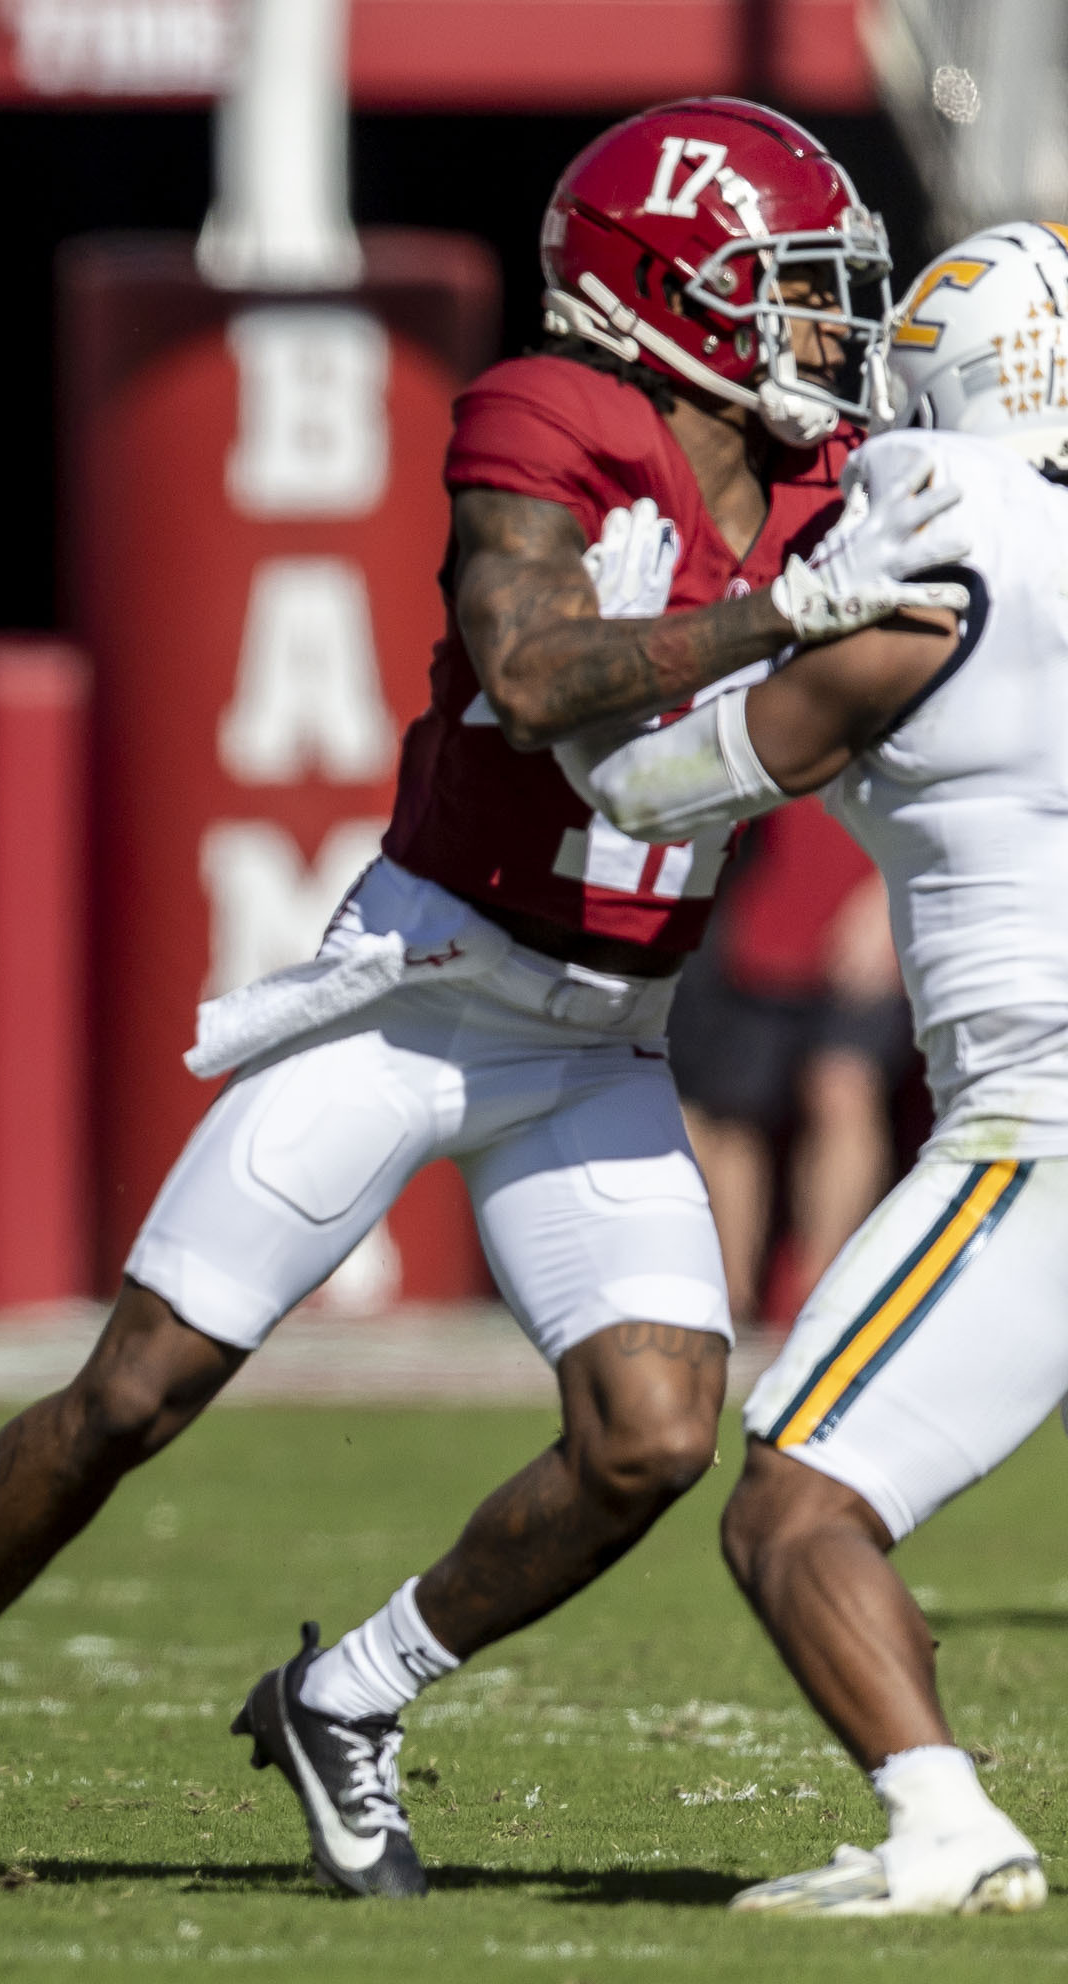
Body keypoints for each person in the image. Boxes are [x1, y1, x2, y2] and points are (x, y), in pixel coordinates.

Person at [0, 98, 965, 1898]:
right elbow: (526, 663)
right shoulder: (549, 414)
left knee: (651, 1434)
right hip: (426, 987)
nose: (821, 334)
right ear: (660, 298)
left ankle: (349, 1693)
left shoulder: (831, 477)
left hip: (607, 1035)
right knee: (135, 1389)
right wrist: (769, 618)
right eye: (784, 293)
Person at [561, 217, 1066, 1920]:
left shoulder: (939, 547)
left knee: (792, 1503)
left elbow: (640, 789)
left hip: (1039, 1123)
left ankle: (940, 1820)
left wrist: (644, 654)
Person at [670, 799, 908, 1322]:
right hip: (756, 922)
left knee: (842, 1091)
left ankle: (820, 1298)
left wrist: (887, 897)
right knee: (729, 1113)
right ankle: (731, 1303)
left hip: (864, 912)